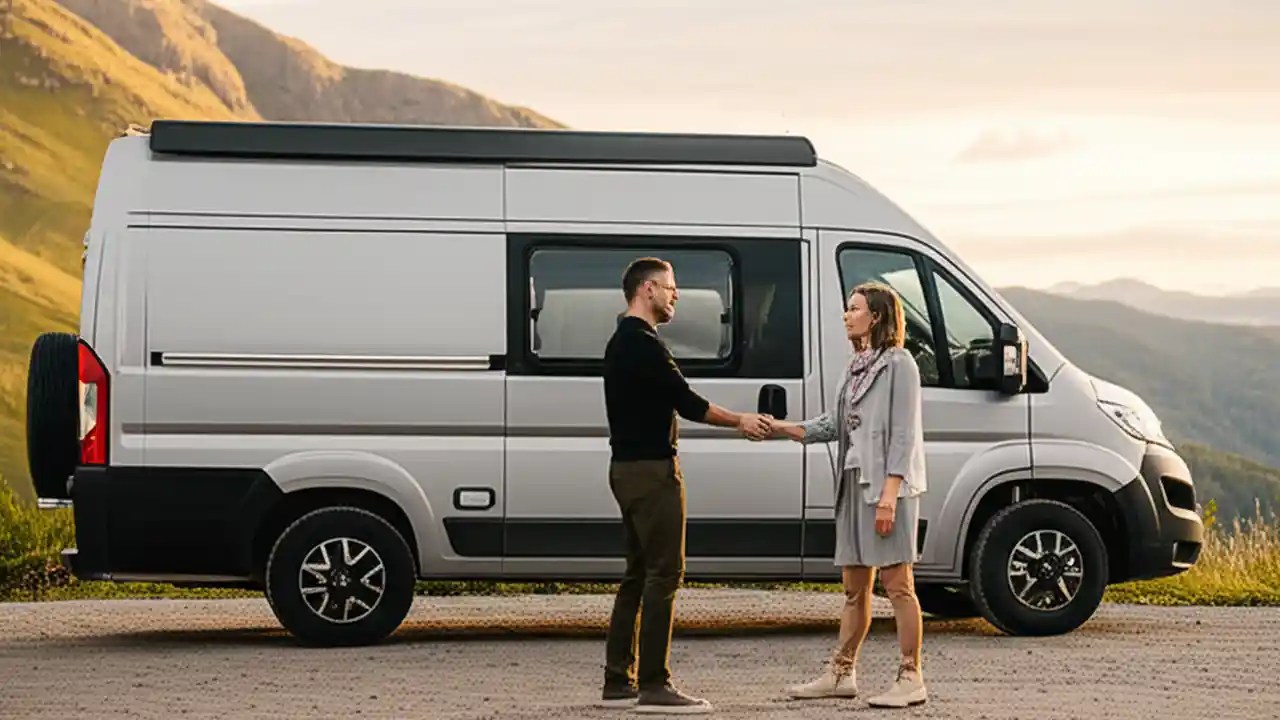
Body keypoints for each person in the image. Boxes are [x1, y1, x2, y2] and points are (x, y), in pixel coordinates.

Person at [598, 256, 773, 714]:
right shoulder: (643, 345)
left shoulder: (621, 341)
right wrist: (741, 421)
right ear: (647, 289)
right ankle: (654, 685)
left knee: (638, 574)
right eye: (670, 286)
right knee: (665, 574)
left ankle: (618, 681)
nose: (676, 294)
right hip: (652, 473)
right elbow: (689, 403)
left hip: (626, 469)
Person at [767, 281, 929, 709]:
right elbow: (834, 424)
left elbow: (904, 434)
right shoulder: (856, 366)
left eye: (854, 309)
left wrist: (890, 496)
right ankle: (841, 673)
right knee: (855, 588)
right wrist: (782, 429)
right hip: (854, 484)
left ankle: (911, 676)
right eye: (847, 308)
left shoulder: (900, 365)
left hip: (888, 488)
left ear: (876, 316)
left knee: (898, 585)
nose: (846, 315)